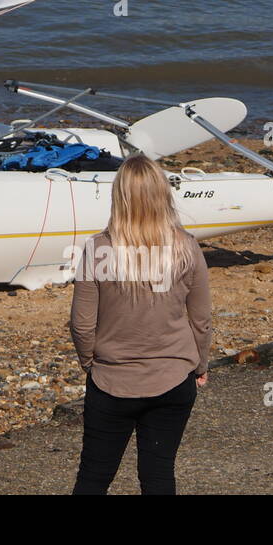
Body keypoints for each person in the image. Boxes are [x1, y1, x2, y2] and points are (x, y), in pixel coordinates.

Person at [68, 154, 211, 495]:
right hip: (174, 376)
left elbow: (81, 323)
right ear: (163, 195)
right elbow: (201, 319)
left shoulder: (99, 249)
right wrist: (200, 364)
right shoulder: (185, 247)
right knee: (158, 473)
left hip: (111, 379)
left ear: (120, 198)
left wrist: (91, 362)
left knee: (93, 476)